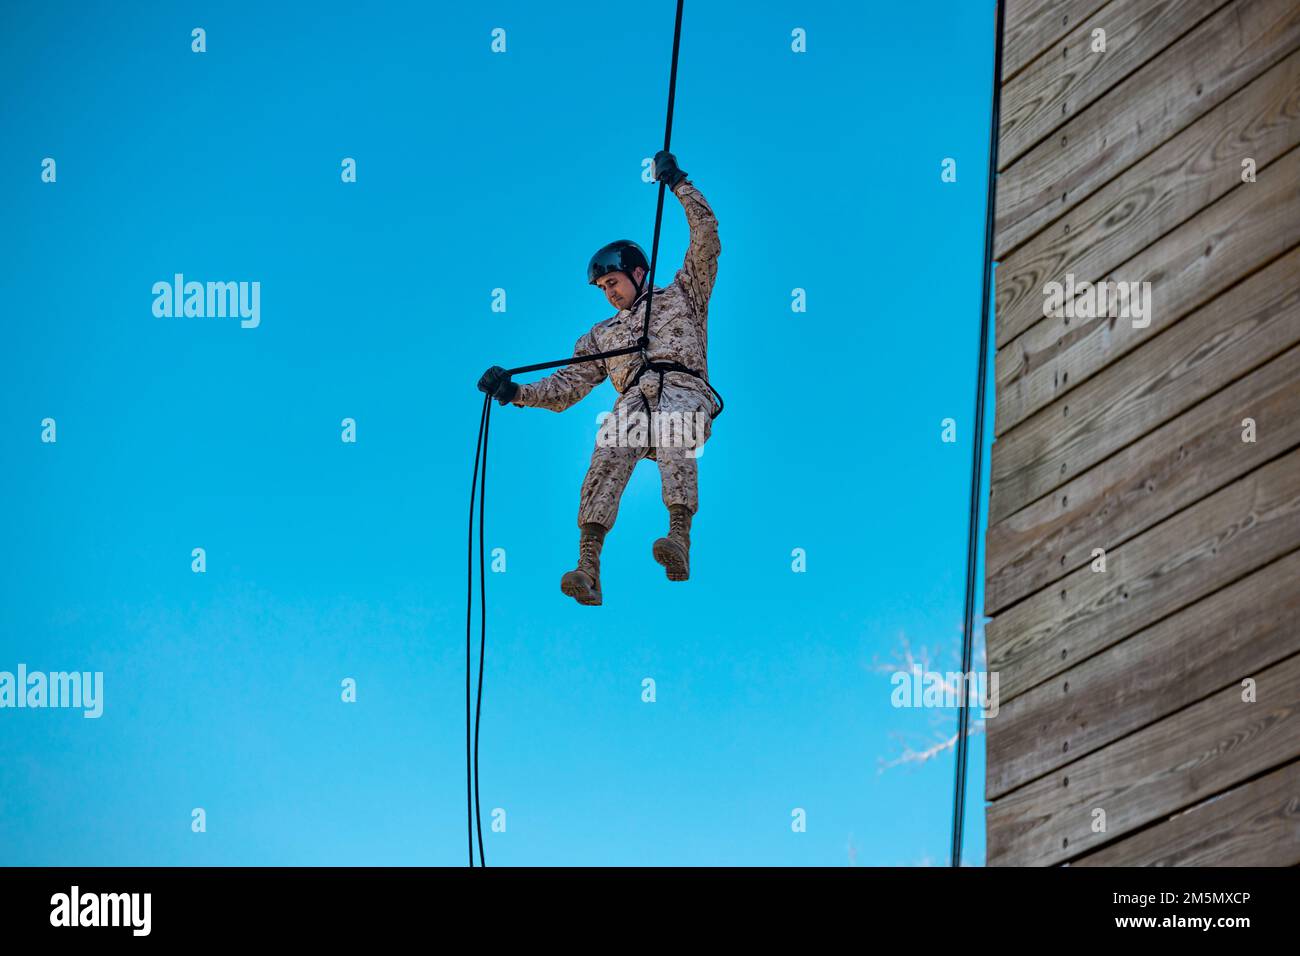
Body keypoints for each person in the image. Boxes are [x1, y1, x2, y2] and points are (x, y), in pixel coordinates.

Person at [477, 150, 721, 606]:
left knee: (675, 430)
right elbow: (566, 386)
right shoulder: (602, 335)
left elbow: (706, 238)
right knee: (605, 455)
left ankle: (679, 537)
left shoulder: (683, 294)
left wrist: (679, 184)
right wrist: (514, 392)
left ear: (637, 273)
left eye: (614, 282)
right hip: (634, 400)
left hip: (682, 388)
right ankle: (589, 566)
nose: (609, 293)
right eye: (603, 288)